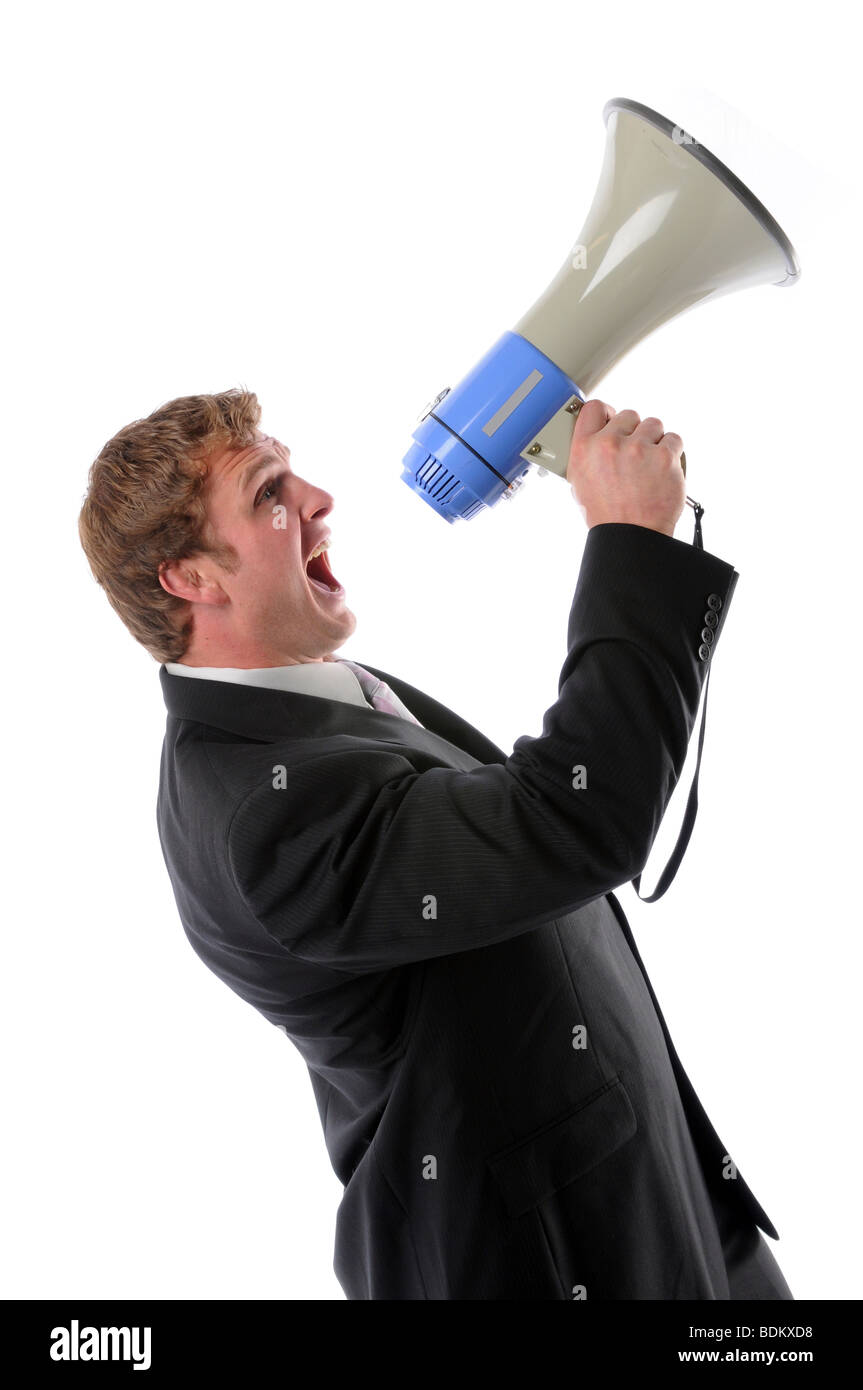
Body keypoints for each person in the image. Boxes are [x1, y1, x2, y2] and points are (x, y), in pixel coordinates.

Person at [78, 387, 792, 1300]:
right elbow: (571, 819)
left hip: (663, 1204)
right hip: (548, 1259)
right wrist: (631, 542)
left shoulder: (312, 696)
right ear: (192, 578)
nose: (316, 499)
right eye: (267, 494)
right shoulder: (264, 819)